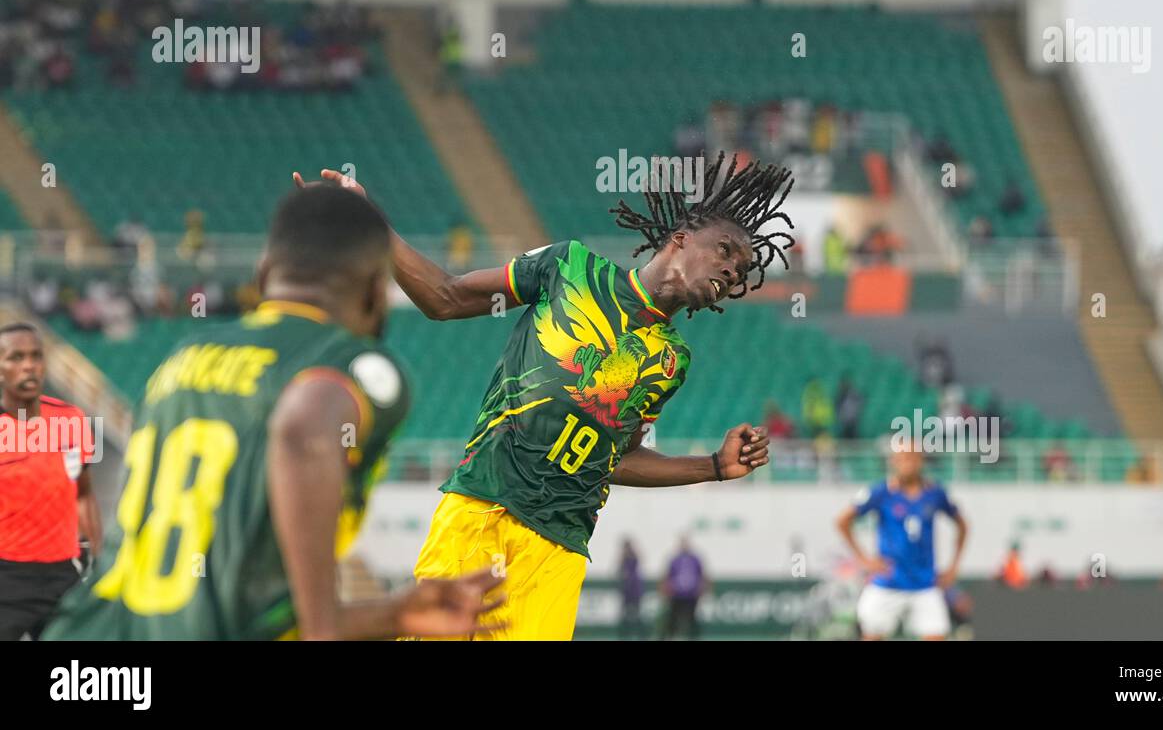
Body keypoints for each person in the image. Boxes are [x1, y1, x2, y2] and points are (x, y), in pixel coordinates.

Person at [294, 151, 789, 640]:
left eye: (742, 270)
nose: (732, 272)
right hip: (484, 504)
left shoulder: (671, 362)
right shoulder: (570, 267)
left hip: (559, 548)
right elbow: (444, 297)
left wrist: (712, 466)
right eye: (725, 251)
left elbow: (613, 459)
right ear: (680, 239)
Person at [43, 186, 502, 640]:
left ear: (264, 276)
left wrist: (394, 615)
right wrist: (325, 628)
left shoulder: (182, 359)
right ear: (374, 294)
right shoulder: (355, 364)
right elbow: (304, 429)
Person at [0, 323, 102, 641]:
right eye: (16, 357)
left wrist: (98, 562)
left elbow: (83, 494)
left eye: (36, 356)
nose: (29, 365)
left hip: (64, 577)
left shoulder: (71, 419)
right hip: (7, 577)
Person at [835, 448, 968, 641]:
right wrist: (864, 560)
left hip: (925, 583)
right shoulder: (880, 492)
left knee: (936, 635)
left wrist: (954, 567)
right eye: (903, 458)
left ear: (921, 460)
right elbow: (843, 521)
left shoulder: (935, 493)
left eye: (913, 457)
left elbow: (962, 525)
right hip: (888, 581)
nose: (908, 463)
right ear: (894, 462)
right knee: (872, 635)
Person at [661, 536, 709, 640]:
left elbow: (702, 575)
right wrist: (666, 590)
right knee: (673, 618)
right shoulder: (675, 560)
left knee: (692, 618)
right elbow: (668, 576)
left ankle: (694, 637)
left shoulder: (695, 559)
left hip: (691, 594)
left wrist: (702, 589)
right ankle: (670, 636)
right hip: (677, 594)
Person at [618, 539, 644, 640]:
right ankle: (624, 635)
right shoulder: (624, 559)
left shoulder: (633, 557)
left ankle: (639, 635)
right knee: (625, 615)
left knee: (637, 614)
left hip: (634, 589)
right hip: (627, 590)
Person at [834, 373, 864, 440]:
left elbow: (860, 403)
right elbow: (837, 409)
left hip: (853, 422)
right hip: (844, 423)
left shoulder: (854, 395)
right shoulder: (840, 396)